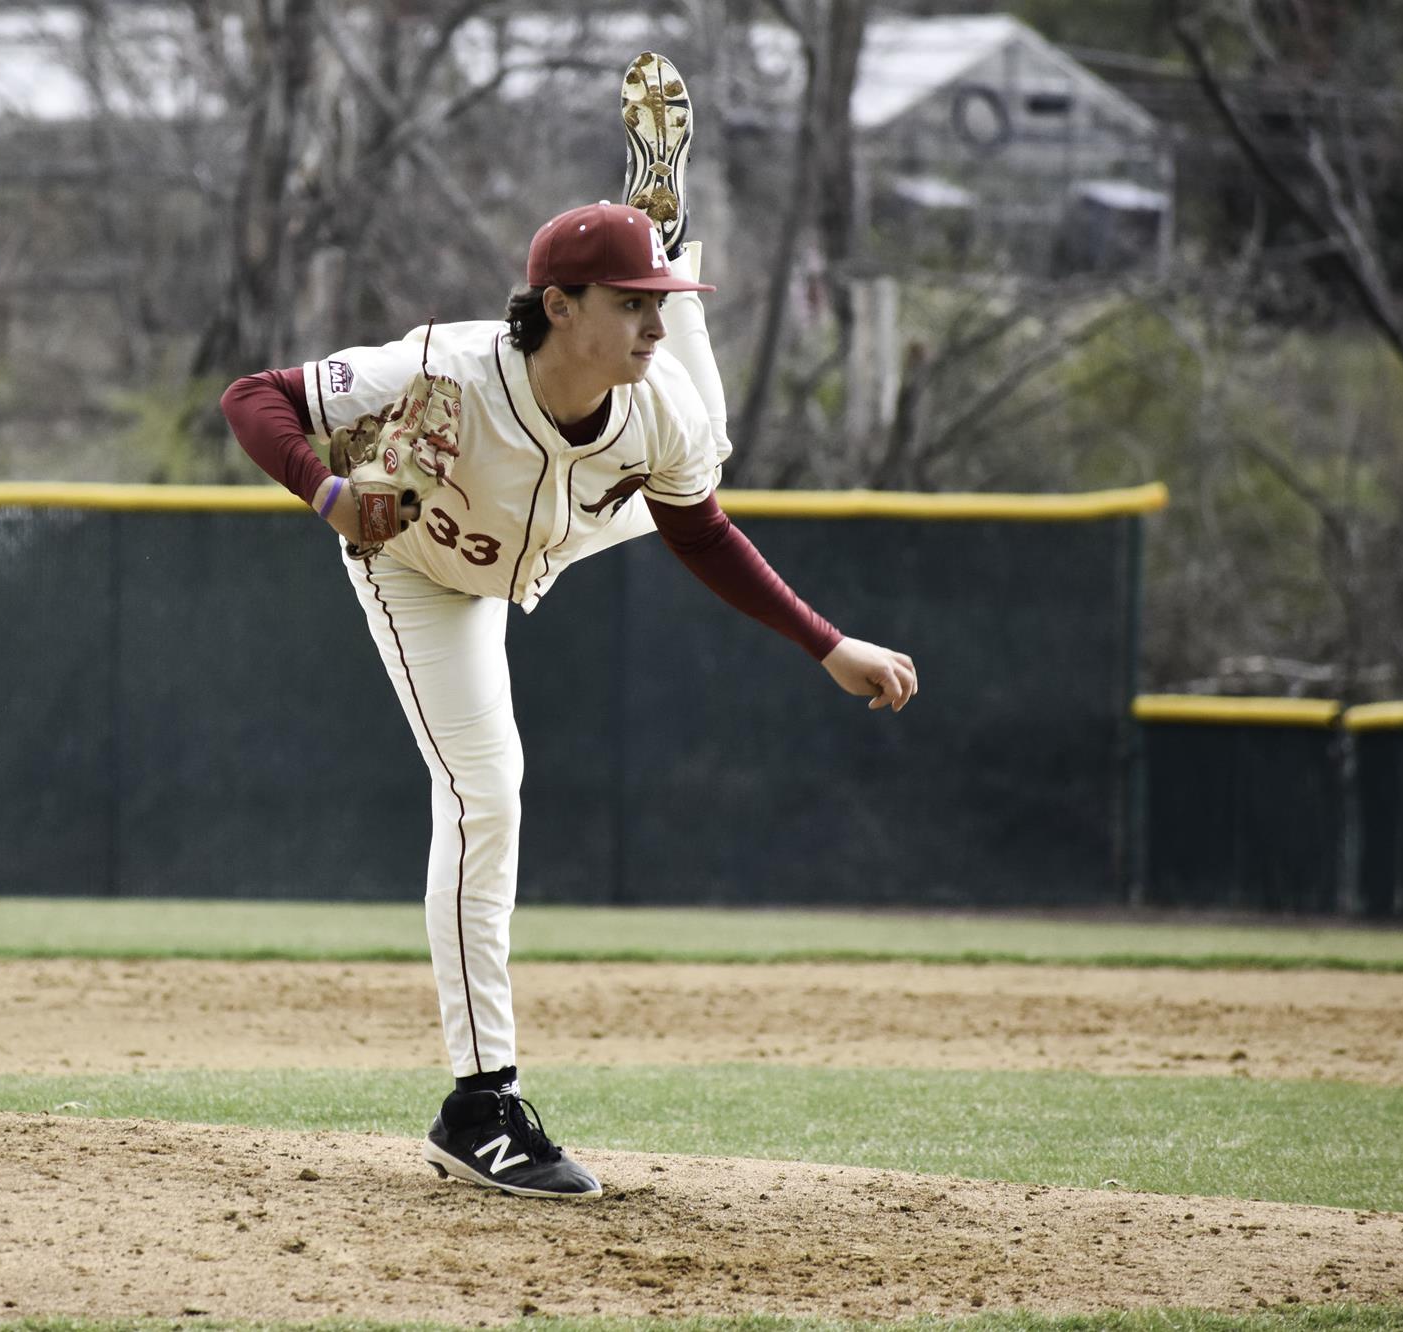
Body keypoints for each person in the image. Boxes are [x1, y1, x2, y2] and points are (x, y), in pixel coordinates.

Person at [219, 53, 917, 1199]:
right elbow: (254, 396)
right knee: (484, 796)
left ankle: (661, 224)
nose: (654, 324)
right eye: (634, 303)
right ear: (558, 306)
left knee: (704, 442)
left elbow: (700, 536)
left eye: (662, 303)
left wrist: (823, 642)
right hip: (423, 569)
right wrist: (330, 490)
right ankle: (479, 1105)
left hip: (567, 529)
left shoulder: (656, 403)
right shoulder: (440, 365)